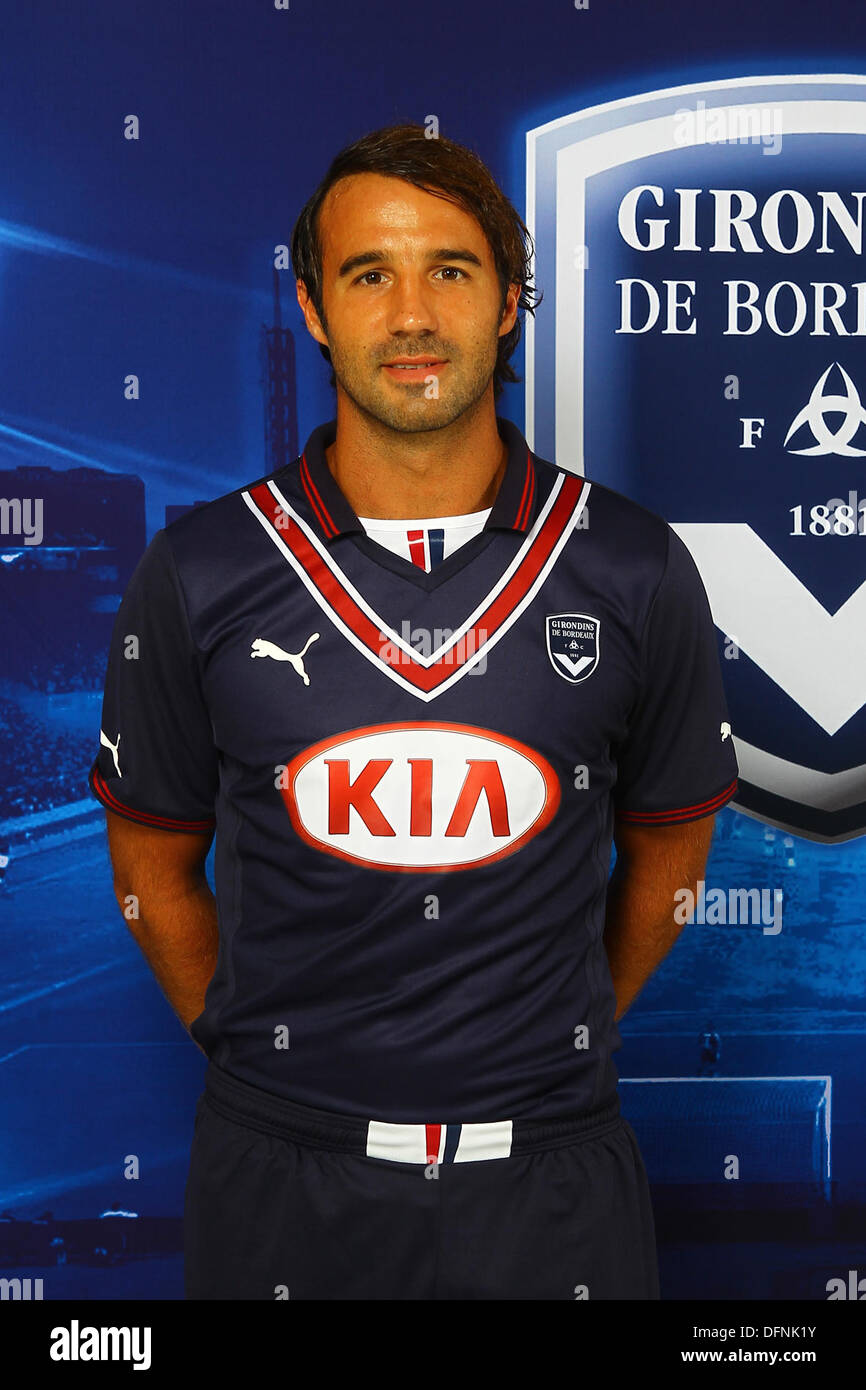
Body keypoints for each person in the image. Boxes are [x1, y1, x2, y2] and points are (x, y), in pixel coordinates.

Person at [89, 123, 737, 1301]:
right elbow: (152, 856)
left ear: (504, 303)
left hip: (547, 1186)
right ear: (312, 308)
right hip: (282, 1186)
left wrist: (546, 1034)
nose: (411, 314)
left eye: (449, 268)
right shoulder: (199, 569)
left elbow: (668, 844)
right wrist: (267, 1060)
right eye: (367, 274)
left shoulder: (633, 566)